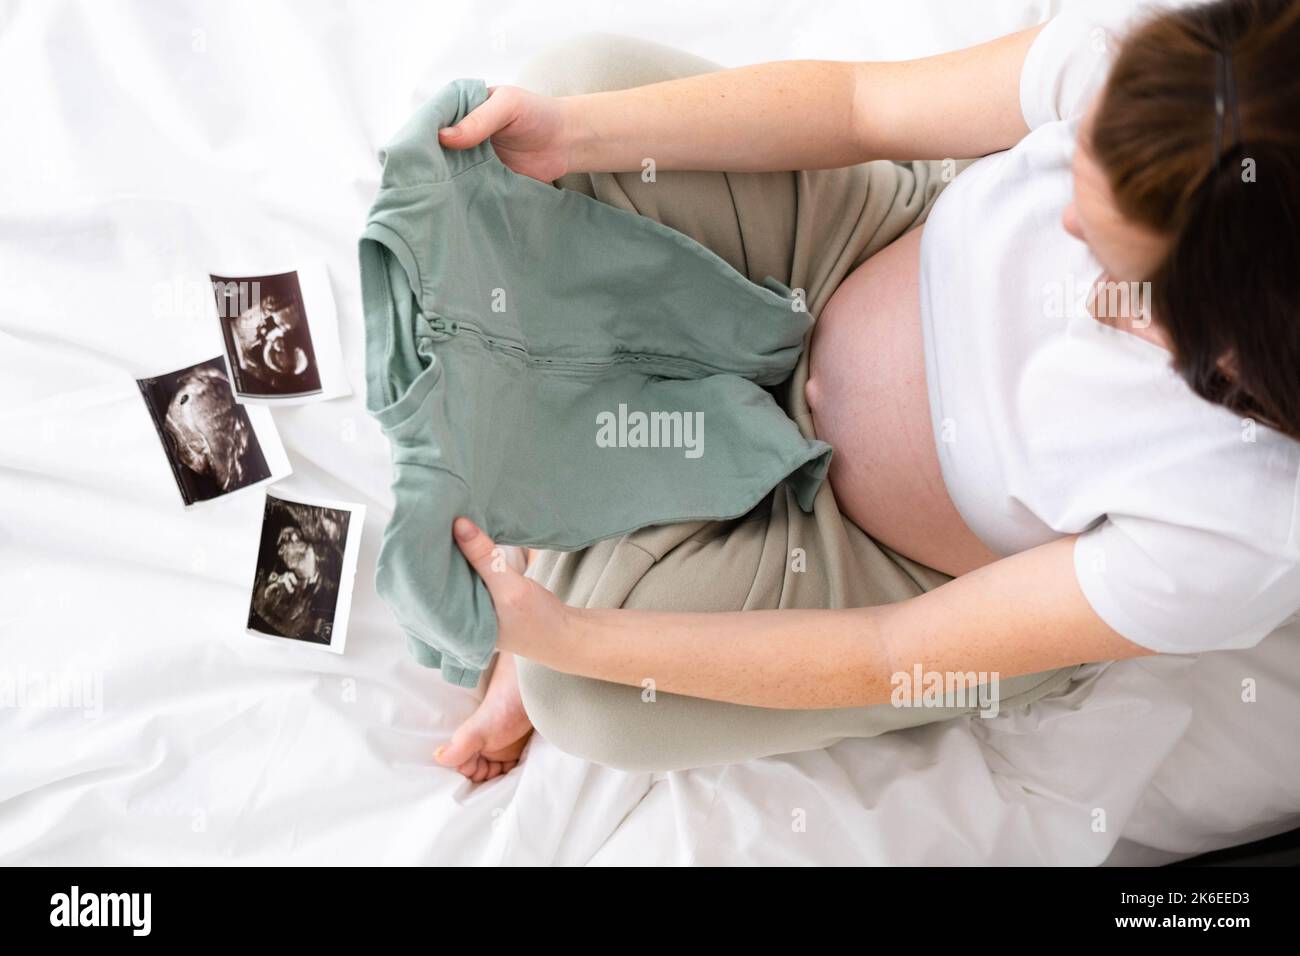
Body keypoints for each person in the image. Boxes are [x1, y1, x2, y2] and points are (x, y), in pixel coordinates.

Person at [429, 0, 1300, 780]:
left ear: (1226, 339)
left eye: (1105, 246)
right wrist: (573, 133)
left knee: (583, 695)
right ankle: (616, 467)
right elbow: (859, 107)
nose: (1066, 223)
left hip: (868, 553)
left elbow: (888, 652)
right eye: (1079, 174)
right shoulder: (1182, 80)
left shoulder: (1244, 523)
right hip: (846, 251)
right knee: (579, 88)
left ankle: (588, 511)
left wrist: (566, 638)